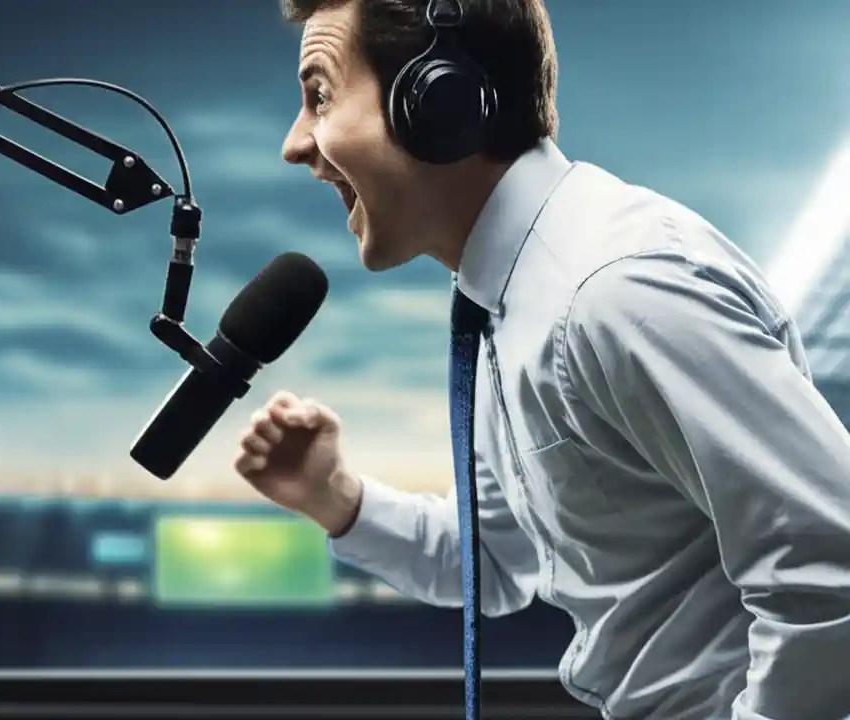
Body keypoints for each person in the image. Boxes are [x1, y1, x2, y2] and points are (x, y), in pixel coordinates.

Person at [232, 0, 850, 718]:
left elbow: (832, 570)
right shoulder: (517, 298)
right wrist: (334, 496)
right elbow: (498, 562)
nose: (295, 142)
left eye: (319, 96)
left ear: (437, 99)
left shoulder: (614, 291)